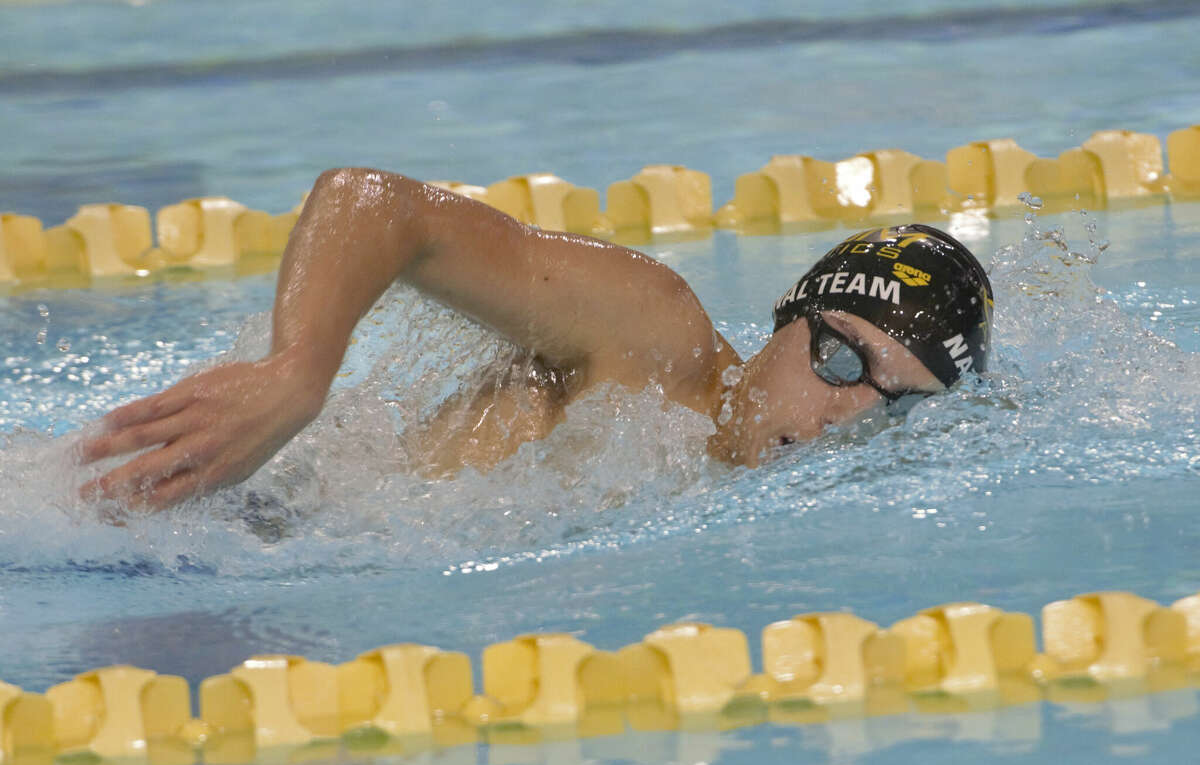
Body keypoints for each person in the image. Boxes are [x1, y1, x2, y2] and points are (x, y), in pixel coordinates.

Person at [78, 168, 993, 510]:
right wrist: (297, 371)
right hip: (217, 504)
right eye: (841, 358)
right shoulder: (655, 336)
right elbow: (374, 205)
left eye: (893, 405)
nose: (841, 419)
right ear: (791, 317)